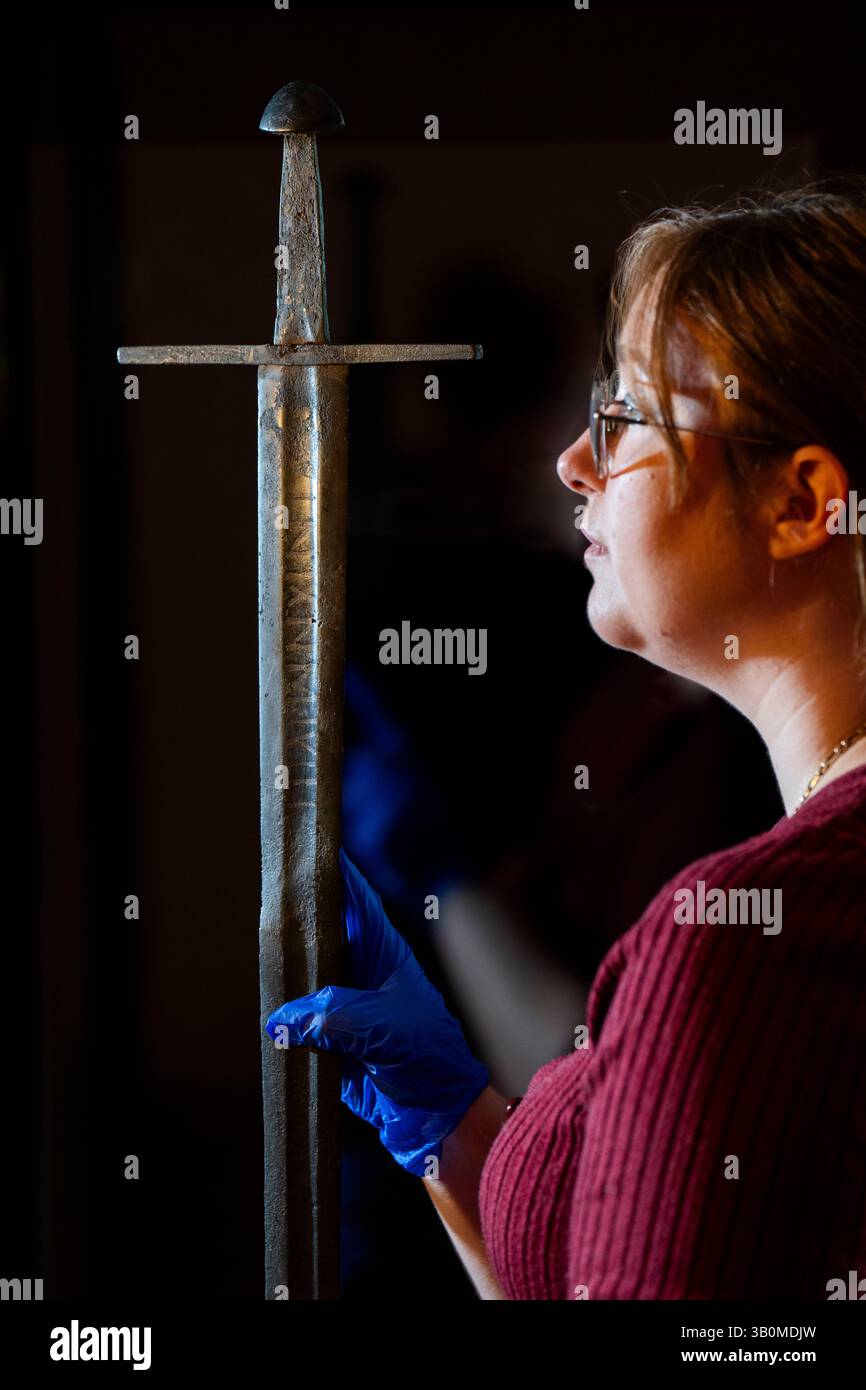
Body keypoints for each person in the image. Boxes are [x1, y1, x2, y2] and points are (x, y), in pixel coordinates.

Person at [266, 176, 866, 1300]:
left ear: (798, 505)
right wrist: (458, 1125)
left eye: (626, 417)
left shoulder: (733, 942)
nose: (573, 464)